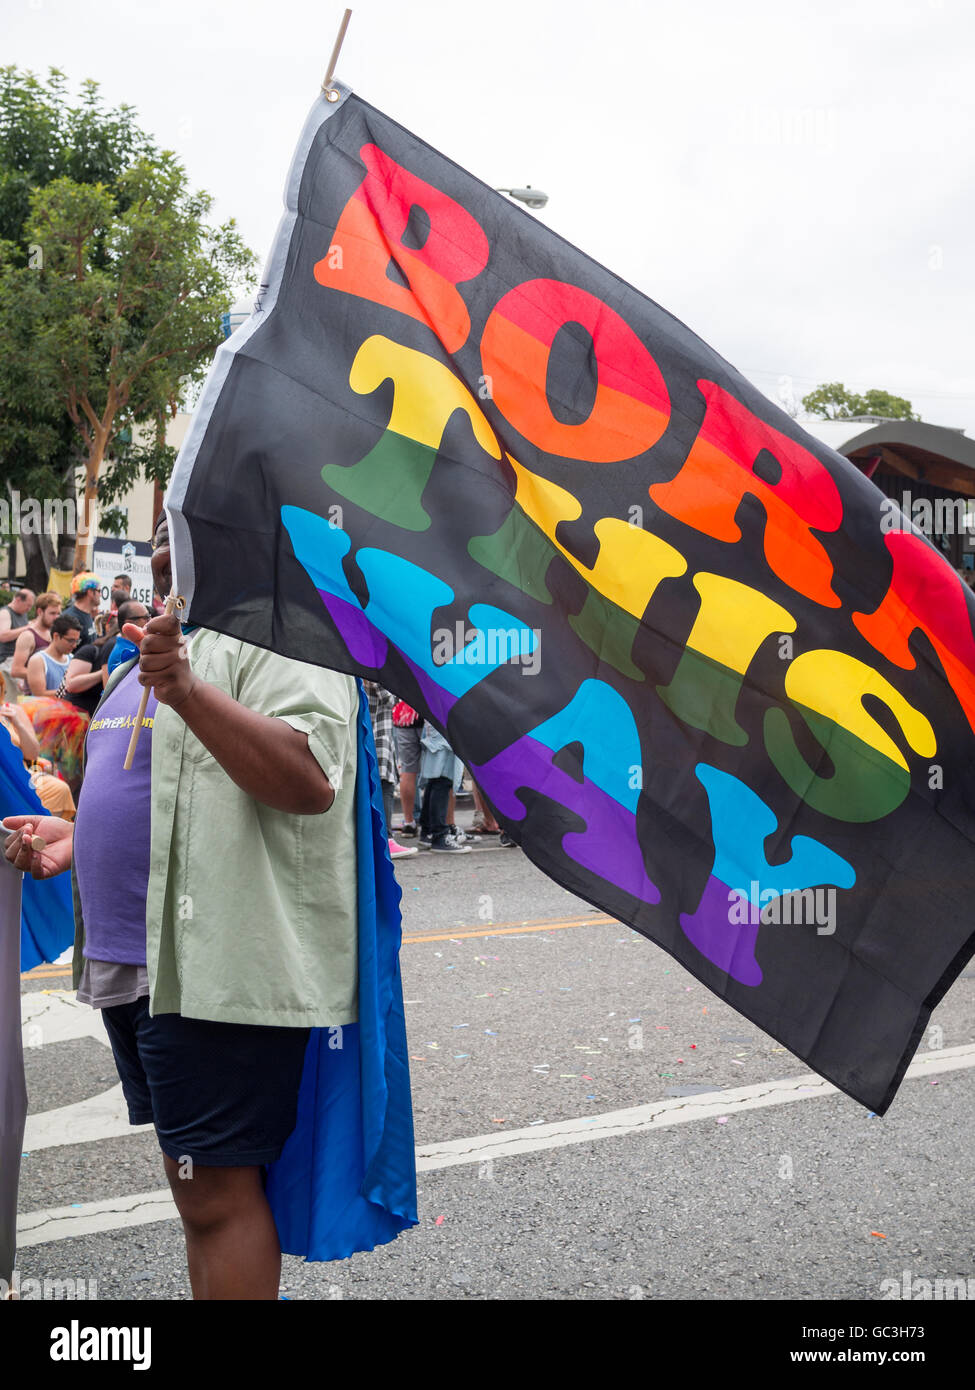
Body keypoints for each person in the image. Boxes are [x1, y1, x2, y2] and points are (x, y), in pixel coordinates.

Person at [4, 511, 362, 1300]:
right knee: (194, 1188)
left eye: (190, 517)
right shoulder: (144, 661)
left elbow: (309, 779)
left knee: (217, 1194)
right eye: (162, 522)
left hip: (214, 967)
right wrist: (68, 836)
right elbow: (147, 798)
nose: (163, 540)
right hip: (136, 969)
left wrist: (190, 691)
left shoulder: (280, 636)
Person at [363, 681, 417, 861]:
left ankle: (377, 838)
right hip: (379, 733)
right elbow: (390, 699)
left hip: (368, 731)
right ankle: (386, 838)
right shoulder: (372, 662)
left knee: (373, 786)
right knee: (385, 786)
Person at [0, 700, 75, 820]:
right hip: (6, 778)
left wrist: (18, 724)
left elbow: (32, 754)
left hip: (23, 772)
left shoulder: (13, 710)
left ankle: (45, 834)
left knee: (59, 789)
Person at [417, 724, 471, 854]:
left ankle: (429, 831)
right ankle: (439, 836)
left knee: (436, 779)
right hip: (443, 727)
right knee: (442, 780)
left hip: (437, 727)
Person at [9, 592, 62, 692]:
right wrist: (43, 673)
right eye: (52, 613)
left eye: (58, 613)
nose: (56, 617)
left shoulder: (53, 632)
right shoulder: (28, 636)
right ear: (40, 612)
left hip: (53, 695)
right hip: (34, 698)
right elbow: (16, 670)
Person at [25, 615, 82, 698]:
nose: (74, 645)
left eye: (77, 641)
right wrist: (72, 690)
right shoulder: (38, 660)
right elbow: (40, 695)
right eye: (71, 641)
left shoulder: (72, 658)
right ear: (56, 636)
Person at [0, 588, 35, 681]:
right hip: (8, 661)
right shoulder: (5, 613)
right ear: (18, 600)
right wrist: (27, 627)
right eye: (28, 605)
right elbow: (3, 636)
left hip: (21, 658)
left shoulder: (23, 613)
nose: (29, 609)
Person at [61, 573, 102, 647]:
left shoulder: (88, 614)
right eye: (99, 591)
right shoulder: (70, 618)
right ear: (90, 592)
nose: (100, 594)